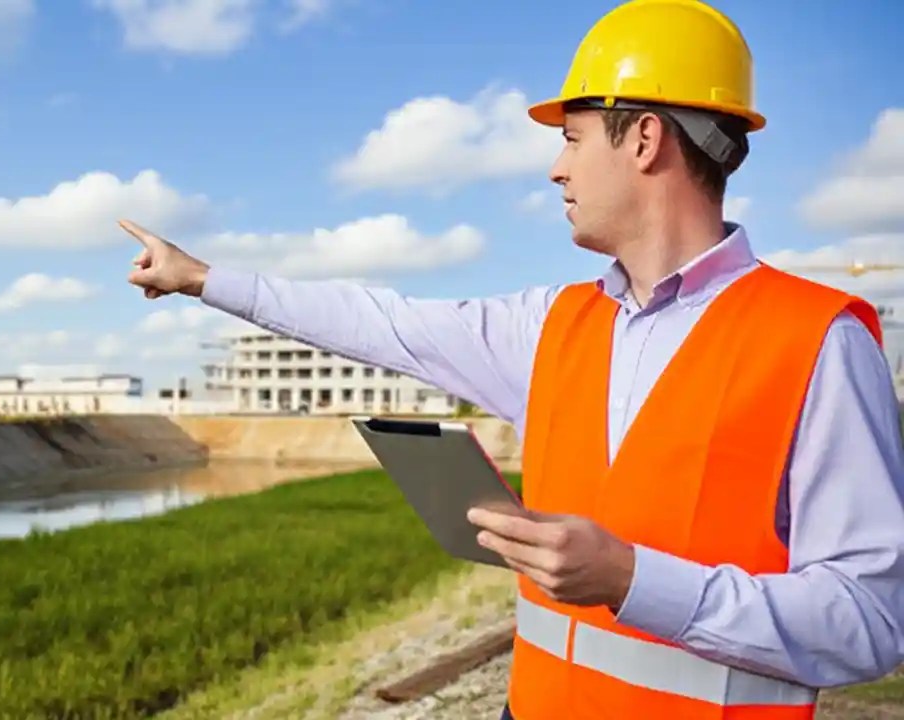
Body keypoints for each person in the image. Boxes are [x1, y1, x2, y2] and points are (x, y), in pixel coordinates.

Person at [117, 0, 904, 717]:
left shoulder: (819, 340)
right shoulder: (550, 326)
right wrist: (204, 280)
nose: (555, 167)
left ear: (644, 138)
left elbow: (869, 624)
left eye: (570, 138)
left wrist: (635, 581)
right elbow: (380, 322)